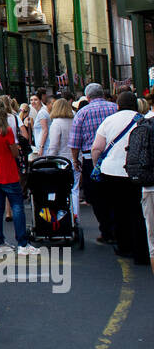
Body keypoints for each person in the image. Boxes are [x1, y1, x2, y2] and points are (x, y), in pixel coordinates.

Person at [91, 90, 149, 265]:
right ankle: (140, 250)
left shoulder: (109, 121)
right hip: (136, 173)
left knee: (118, 211)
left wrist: (97, 166)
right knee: (138, 212)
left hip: (112, 172)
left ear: (118, 105)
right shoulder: (143, 120)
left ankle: (123, 246)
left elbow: (96, 148)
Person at [0, 99, 34, 256]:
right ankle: (22, 243)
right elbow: (14, 152)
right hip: (9, 172)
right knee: (17, 207)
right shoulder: (7, 130)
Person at [69, 83, 118, 243]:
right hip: (115, 156)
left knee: (96, 197)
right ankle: (116, 228)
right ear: (103, 94)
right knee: (114, 195)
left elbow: (75, 141)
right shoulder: (114, 108)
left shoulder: (82, 113)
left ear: (87, 97)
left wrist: (75, 160)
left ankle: (106, 229)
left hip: (91, 159)